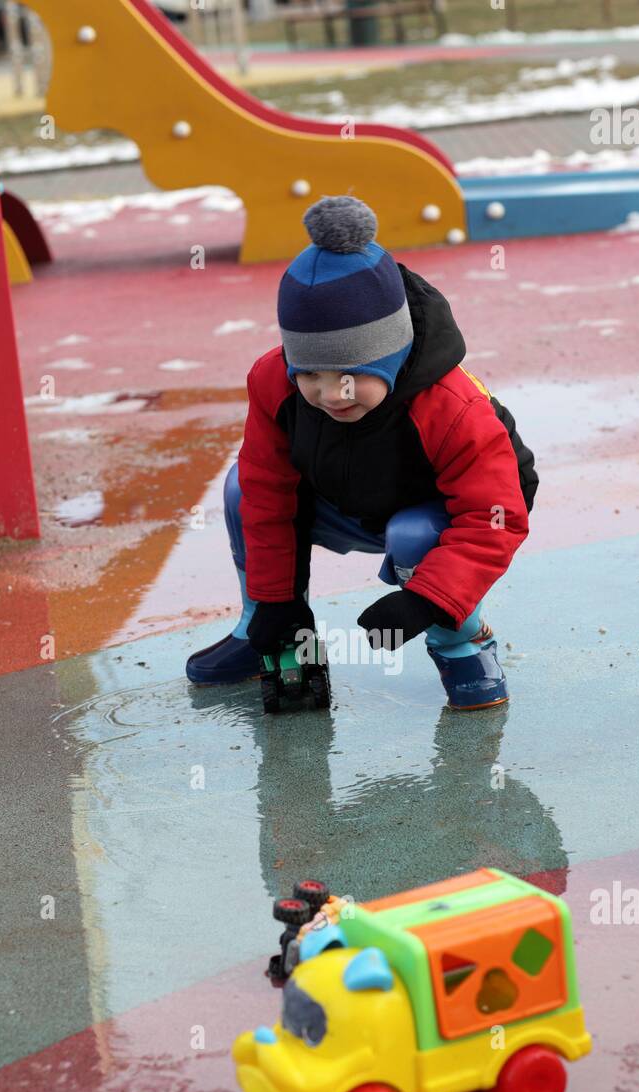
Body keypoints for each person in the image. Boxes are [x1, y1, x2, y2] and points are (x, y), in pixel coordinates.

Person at [186, 195, 537, 709]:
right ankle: (266, 632)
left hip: (448, 513)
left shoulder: (451, 406)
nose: (332, 395)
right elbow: (268, 492)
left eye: (350, 377)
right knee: (243, 488)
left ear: (391, 353)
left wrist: (424, 601)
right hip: (341, 498)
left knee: (413, 532)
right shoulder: (272, 384)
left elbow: (493, 516)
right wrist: (277, 599)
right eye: (309, 374)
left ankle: (461, 643)